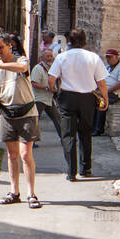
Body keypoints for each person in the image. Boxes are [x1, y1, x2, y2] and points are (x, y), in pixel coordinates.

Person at [0, 32, 42, 208]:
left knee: (25, 154)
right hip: (7, 113)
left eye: (1, 47)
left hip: (27, 112)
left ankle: (31, 194)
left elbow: (21, 69)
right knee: (12, 154)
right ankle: (14, 192)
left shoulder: (20, 60)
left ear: (9, 46)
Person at [47, 29, 108, 181]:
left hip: (68, 97)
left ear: (69, 41)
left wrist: (54, 91)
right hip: (87, 97)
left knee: (68, 134)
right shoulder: (93, 57)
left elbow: (51, 78)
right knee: (86, 132)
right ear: (84, 40)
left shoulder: (62, 57)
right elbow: (101, 82)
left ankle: (71, 171)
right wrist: (105, 98)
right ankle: (85, 167)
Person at [93, 48, 120, 135]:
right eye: (107, 58)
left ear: (116, 57)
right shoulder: (107, 67)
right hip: (104, 90)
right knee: (91, 101)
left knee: (102, 104)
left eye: (110, 57)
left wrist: (106, 91)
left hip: (113, 93)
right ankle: (91, 126)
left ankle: (98, 129)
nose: (108, 60)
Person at [30, 48, 63, 140]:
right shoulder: (38, 68)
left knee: (57, 118)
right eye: (47, 56)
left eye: (51, 56)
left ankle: (64, 138)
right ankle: (31, 140)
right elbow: (33, 83)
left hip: (49, 98)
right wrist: (46, 87)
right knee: (35, 120)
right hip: (39, 98)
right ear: (42, 57)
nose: (50, 58)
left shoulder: (52, 68)